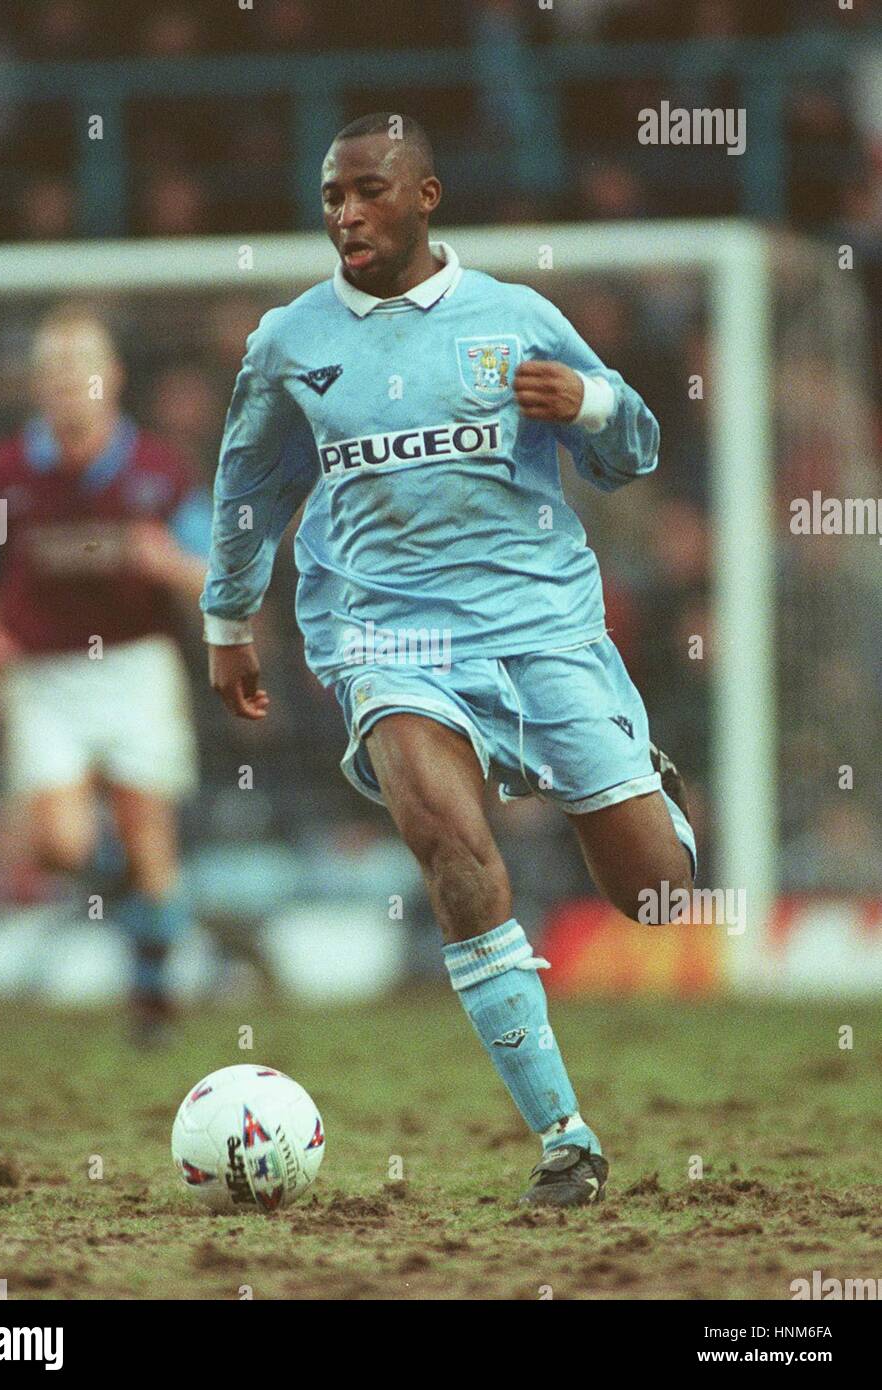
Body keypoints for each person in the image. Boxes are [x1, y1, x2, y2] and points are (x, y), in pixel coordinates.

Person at [203, 113, 696, 1205]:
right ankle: (563, 1134)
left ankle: (642, 781)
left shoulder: (516, 319)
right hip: (386, 638)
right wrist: (228, 620)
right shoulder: (291, 342)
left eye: (369, 191)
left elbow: (631, 452)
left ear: (425, 196)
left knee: (657, 896)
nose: (345, 214)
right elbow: (250, 488)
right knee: (457, 859)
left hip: (540, 629)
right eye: (332, 194)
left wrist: (593, 402)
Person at [0, 306, 211, 1044]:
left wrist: (167, 562)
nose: (71, 383)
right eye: (55, 370)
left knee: (144, 825)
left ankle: (152, 999)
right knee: (60, 845)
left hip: (135, 666)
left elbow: (211, 574)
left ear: (114, 378)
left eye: (83, 368)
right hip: (46, 675)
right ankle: (138, 903)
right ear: (36, 385)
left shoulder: (160, 470)